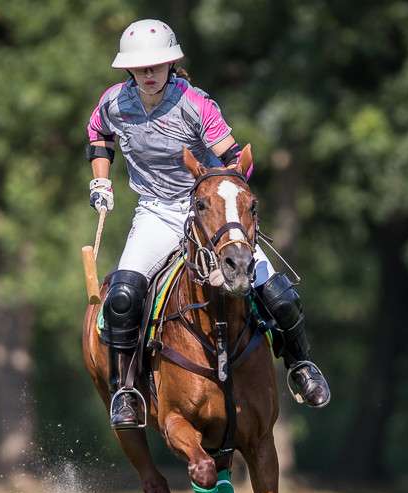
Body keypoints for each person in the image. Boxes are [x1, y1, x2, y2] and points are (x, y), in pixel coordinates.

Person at [86, 18, 330, 429]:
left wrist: (222, 201)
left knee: (278, 293)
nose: (148, 74)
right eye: (140, 67)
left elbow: (234, 161)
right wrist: (101, 181)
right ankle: (127, 390)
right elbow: (99, 136)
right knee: (124, 295)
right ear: (128, 68)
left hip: (210, 210)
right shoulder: (113, 102)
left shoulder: (196, 103)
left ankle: (301, 366)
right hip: (157, 211)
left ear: (171, 64)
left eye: (157, 65)